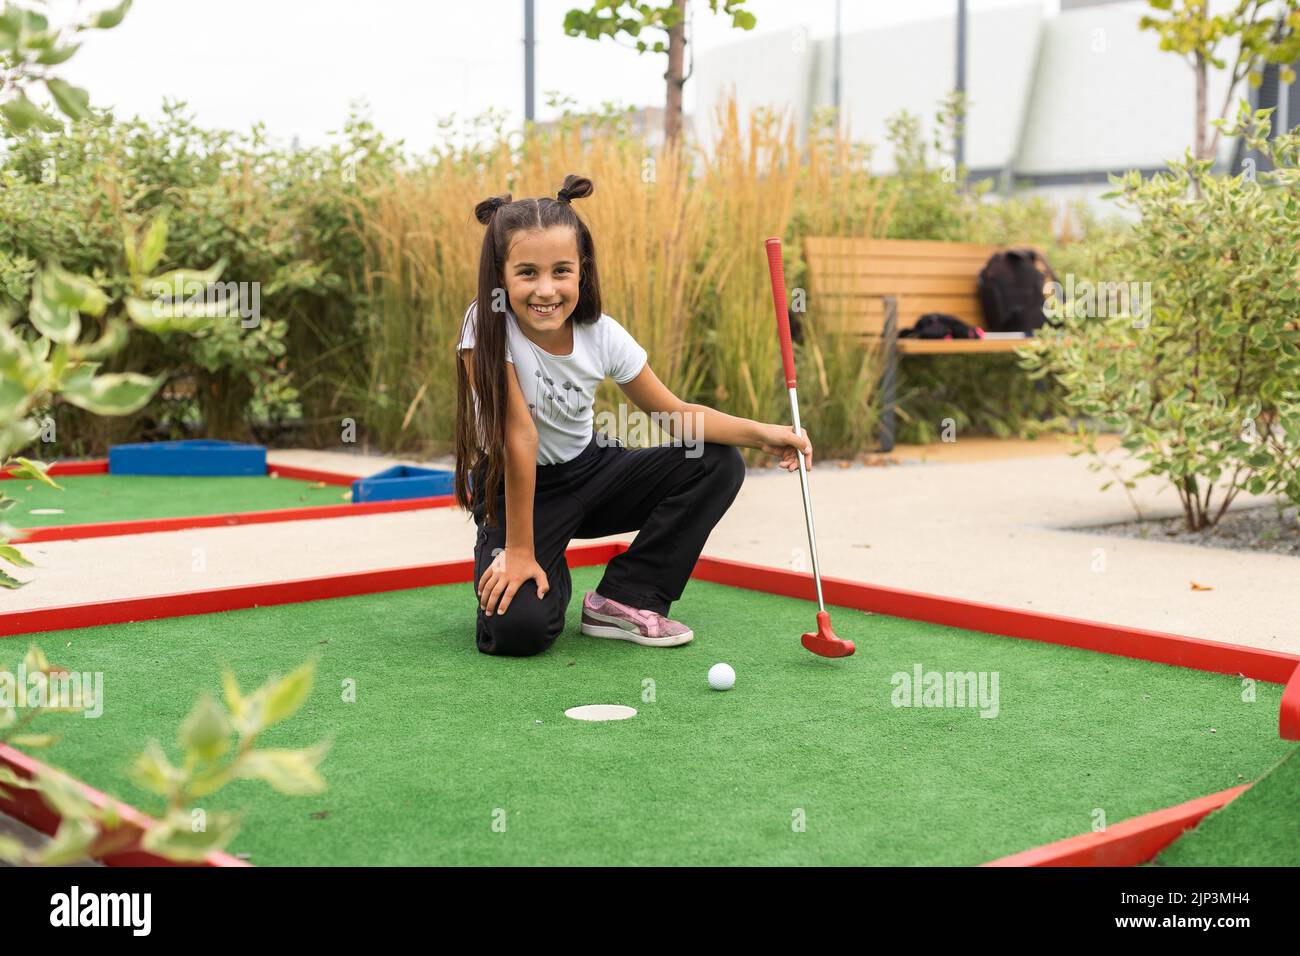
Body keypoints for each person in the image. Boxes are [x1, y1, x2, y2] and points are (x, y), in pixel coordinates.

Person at [454, 173, 812, 657]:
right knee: (521, 632)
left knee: (716, 462)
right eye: (527, 273)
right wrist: (519, 551)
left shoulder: (602, 333)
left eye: (561, 271)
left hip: (591, 471)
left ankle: (625, 597)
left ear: (582, 270)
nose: (546, 290)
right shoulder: (486, 325)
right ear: (501, 275)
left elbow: (676, 415)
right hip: (516, 491)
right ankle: (536, 571)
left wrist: (763, 434)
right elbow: (519, 437)